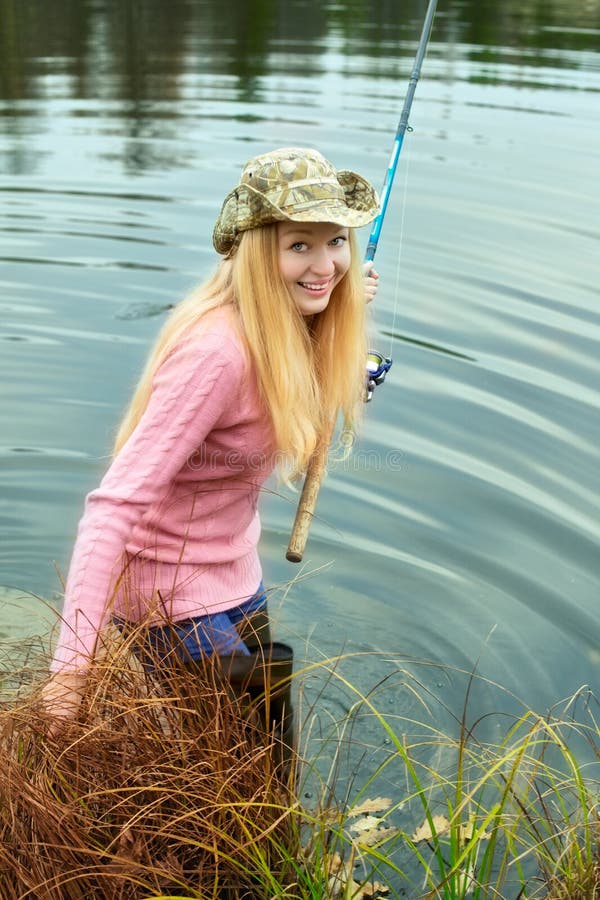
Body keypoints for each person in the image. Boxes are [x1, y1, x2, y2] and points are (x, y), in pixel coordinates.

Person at [41, 147, 380, 735]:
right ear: (257, 252)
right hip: (167, 595)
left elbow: (284, 392)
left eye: (335, 242)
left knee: (271, 749)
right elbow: (110, 507)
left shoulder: (294, 320)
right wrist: (70, 675)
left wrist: (336, 311)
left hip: (236, 574)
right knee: (233, 764)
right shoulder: (215, 352)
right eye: (299, 245)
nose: (325, 264)